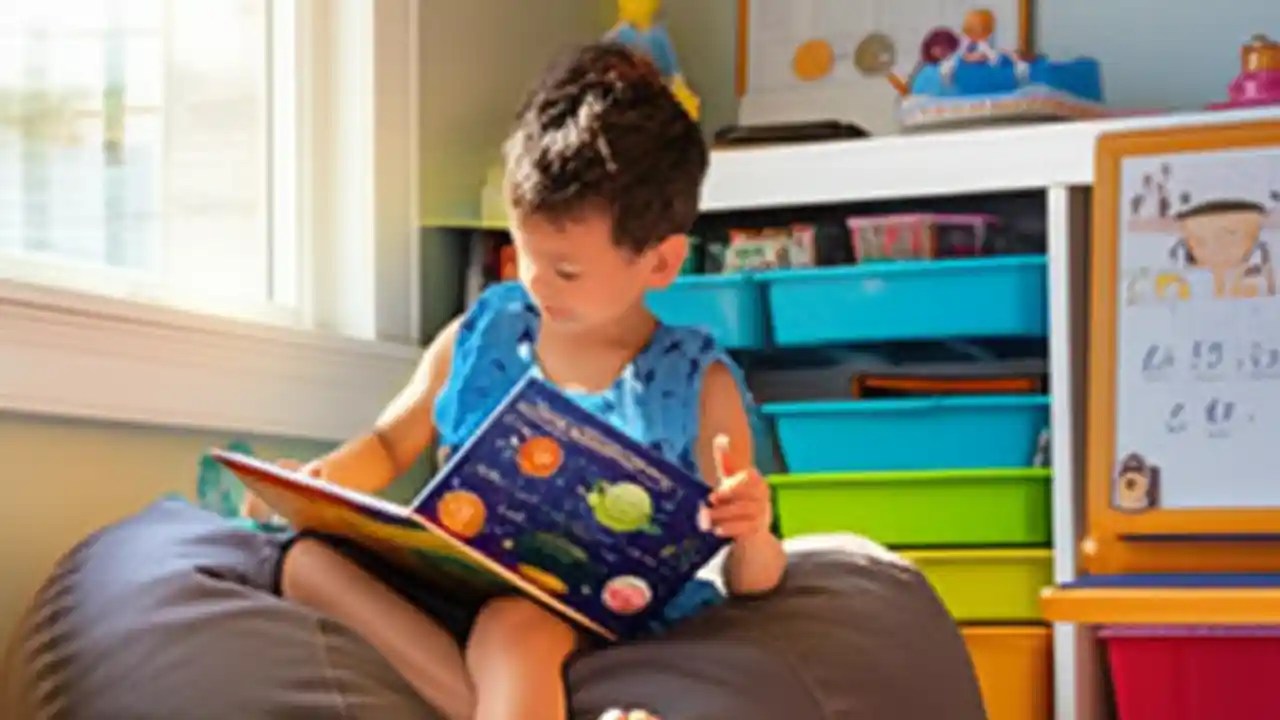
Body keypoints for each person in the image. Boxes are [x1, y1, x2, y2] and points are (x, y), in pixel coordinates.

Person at [253, 42, 786, 720]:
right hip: (458, 581)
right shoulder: (487, 333)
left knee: (514, 624)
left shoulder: (694, 383)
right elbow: (390, 446)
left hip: (593, 614)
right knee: (306, 564)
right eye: (521, 254)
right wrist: (321, 485)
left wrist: (753, 532)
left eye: (565, 272)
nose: (535, 284)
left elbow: (754, 579)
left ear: (660, 264)